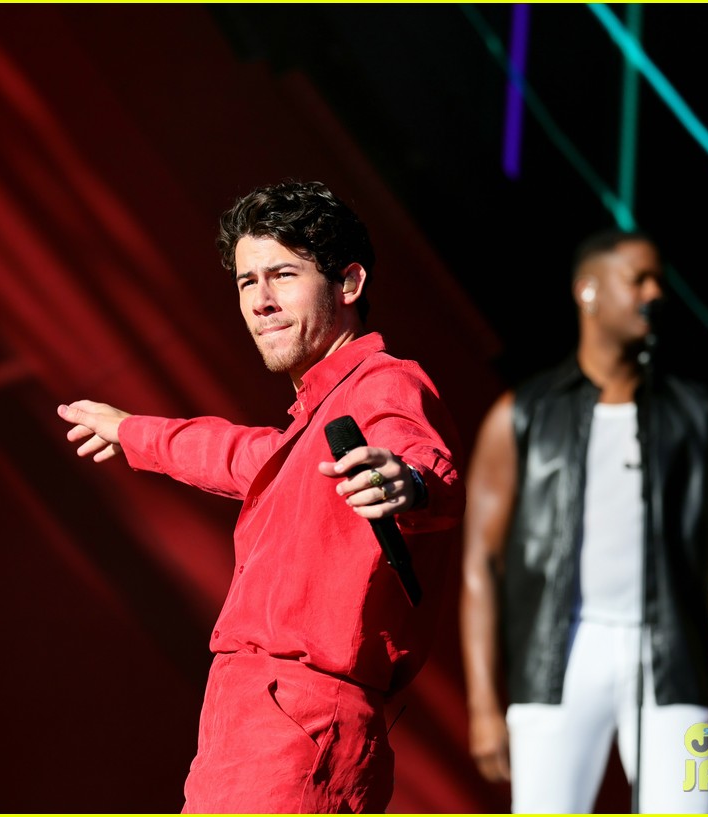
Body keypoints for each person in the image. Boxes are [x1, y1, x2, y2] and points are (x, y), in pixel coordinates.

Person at [57, 180, 464, 813]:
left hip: (298, 719)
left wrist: (404, 482)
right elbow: (233, 454)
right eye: (247, 282)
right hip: (255, 714)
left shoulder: (382, 382)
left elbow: (420, 461)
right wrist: (129, 429)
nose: (261, 302)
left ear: (349, 283)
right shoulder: (310, 427)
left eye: (282, 275)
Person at [460, 229, 708, 813]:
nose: (654, 292)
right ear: (588, 291)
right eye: (638, 278)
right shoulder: (524, 413)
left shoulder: (693, 413)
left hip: (672, 654)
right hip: (557, 654)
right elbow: (479, 566)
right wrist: (485, 704)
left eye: (658, 279)